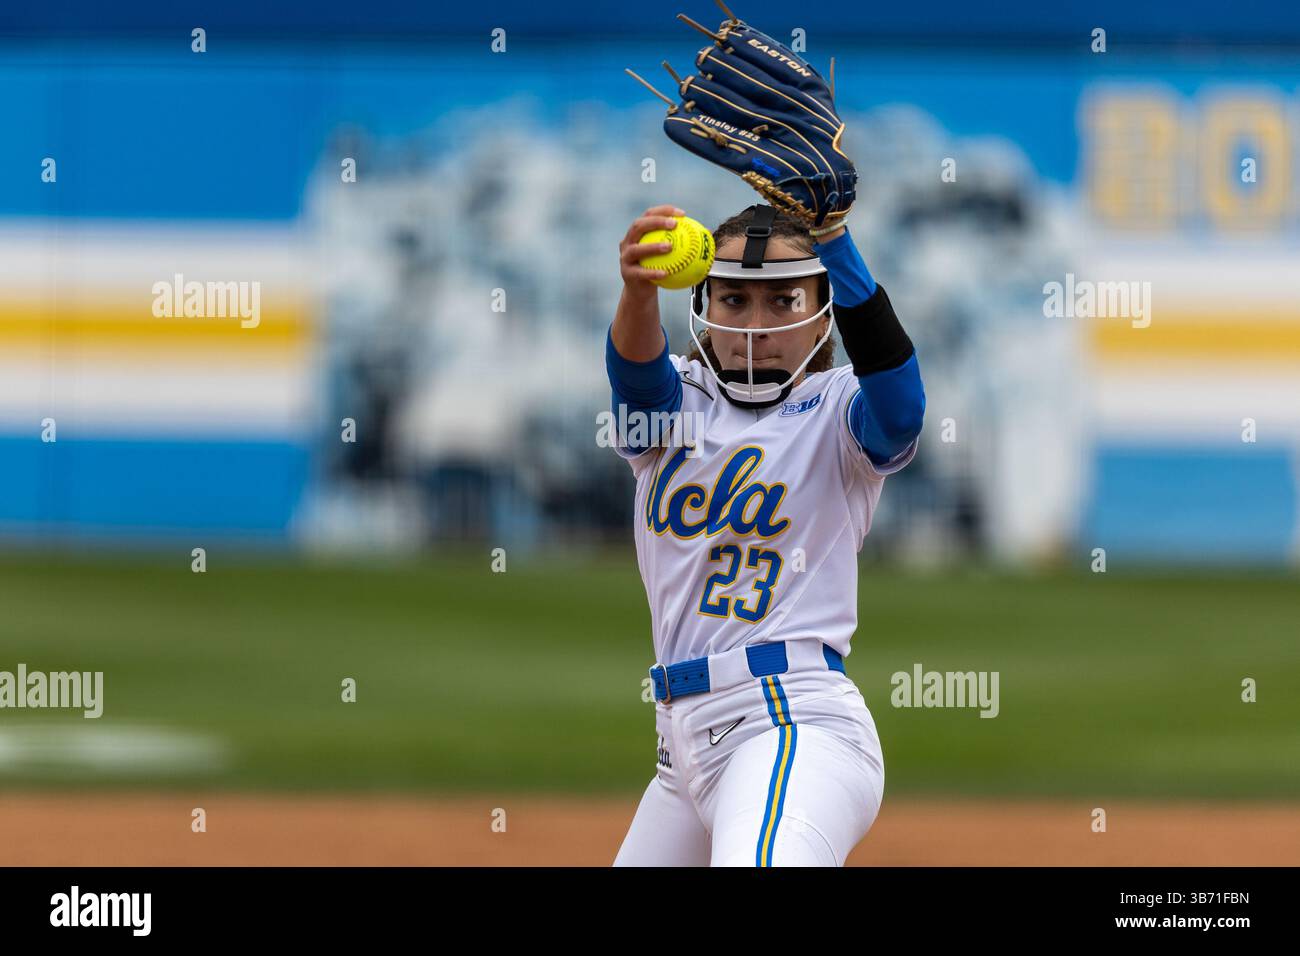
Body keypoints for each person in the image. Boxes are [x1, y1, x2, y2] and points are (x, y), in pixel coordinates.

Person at [605, 201, 925, 866]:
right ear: (703, 304)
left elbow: (901, 412)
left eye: (783, 301)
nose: (756, 325)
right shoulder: (675, 409)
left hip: (791, 725)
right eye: (734, 299)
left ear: (821, 310)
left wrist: (834, 238)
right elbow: (636, 377)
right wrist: (637, 289)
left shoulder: (838, 410)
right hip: (678, 752)